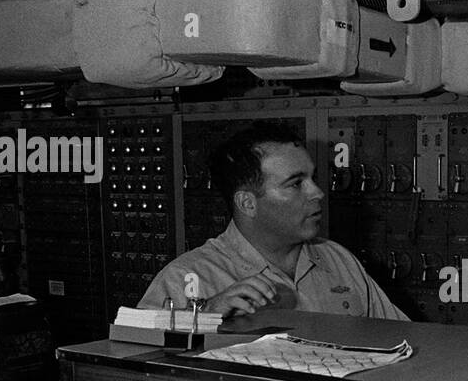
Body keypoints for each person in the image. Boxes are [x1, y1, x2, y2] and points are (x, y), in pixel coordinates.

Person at [139, 123, 407, 320]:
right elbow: (135, 367)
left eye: (312, 179)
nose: (317, 192)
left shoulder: (338, 259)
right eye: (295, 184)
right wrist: (204, 315)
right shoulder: (187, 278)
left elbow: (403, 340)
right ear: (247, 203)